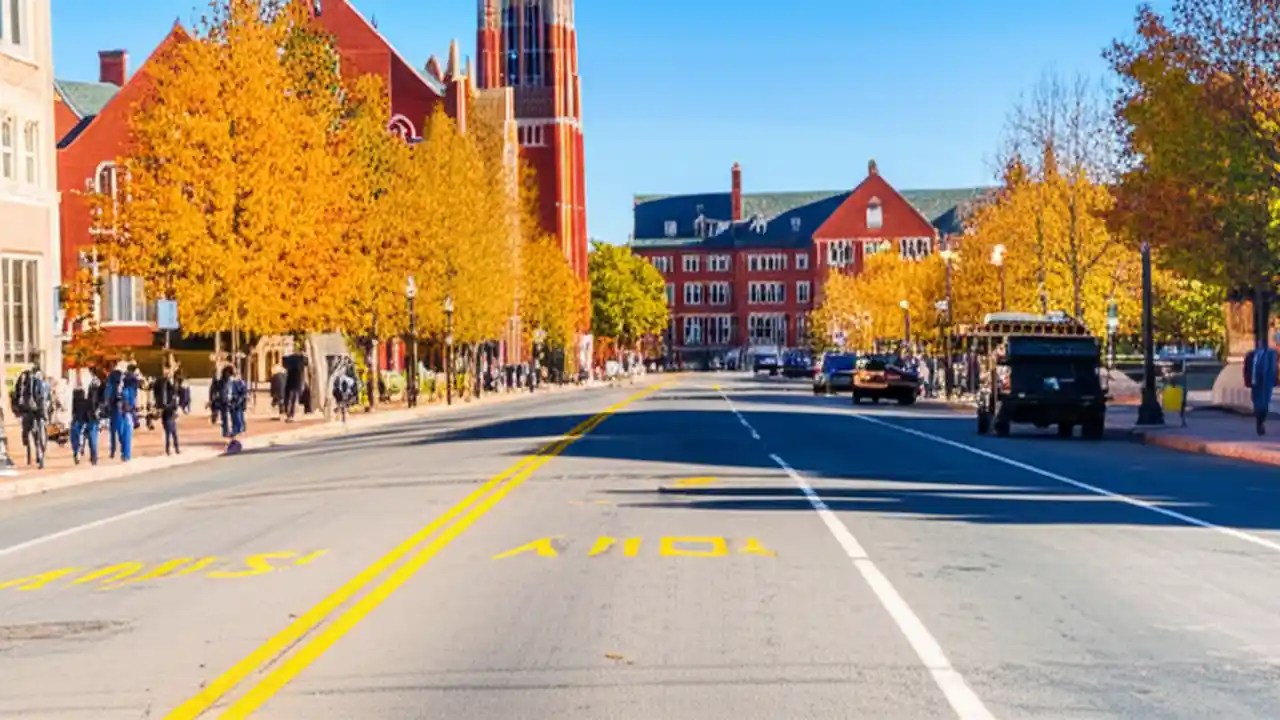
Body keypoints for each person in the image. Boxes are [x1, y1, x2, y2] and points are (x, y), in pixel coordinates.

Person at [70, 370, 104, 466]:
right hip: (80, 416)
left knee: (93, 440)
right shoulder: (77, 390)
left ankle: (94, 458)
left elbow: (101, 402)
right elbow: (74, 406)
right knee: (75, 433)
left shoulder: (96, 386)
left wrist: (99, 412)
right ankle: (77, 452)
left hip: (91, 417)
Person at [1250, 331, 1280, 436]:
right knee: (1257, 402)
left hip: (1264, 382)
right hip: (1255, 382)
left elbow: (1272, 369)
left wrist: (1272, 379)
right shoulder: (1253, 354)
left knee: (1263, 404)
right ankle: (1260, 422)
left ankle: (1260, 422)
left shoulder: (1271, 354)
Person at [153, 368, 182, 455]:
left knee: (172, 431)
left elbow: (174, 392)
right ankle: (171, 448)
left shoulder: (170, 385)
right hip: (166, 409)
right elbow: (158, 392)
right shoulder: (161, 383)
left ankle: (173, 448)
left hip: (170, 409)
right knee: (170, 431)